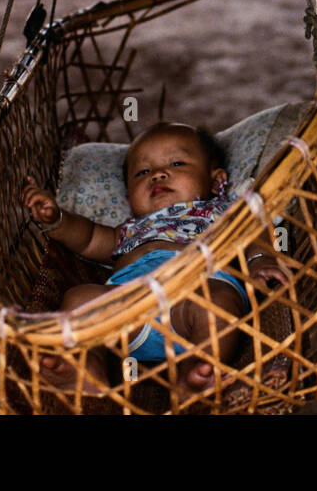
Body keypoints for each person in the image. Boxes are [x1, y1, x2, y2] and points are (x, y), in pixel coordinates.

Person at [21, 122, 289, 394]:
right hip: (127, 310)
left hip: (195, 297)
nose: (159, 174)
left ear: (216, 180)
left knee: (218, 304)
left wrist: (260, 260)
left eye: (177, 164)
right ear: (128, 196)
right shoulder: (130, 228)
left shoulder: (220, 212)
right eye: (143, 172)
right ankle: (86, 365)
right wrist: (57, 220)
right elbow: (88, 238)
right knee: (79, 297)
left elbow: (255, 231)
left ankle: (198, 365)